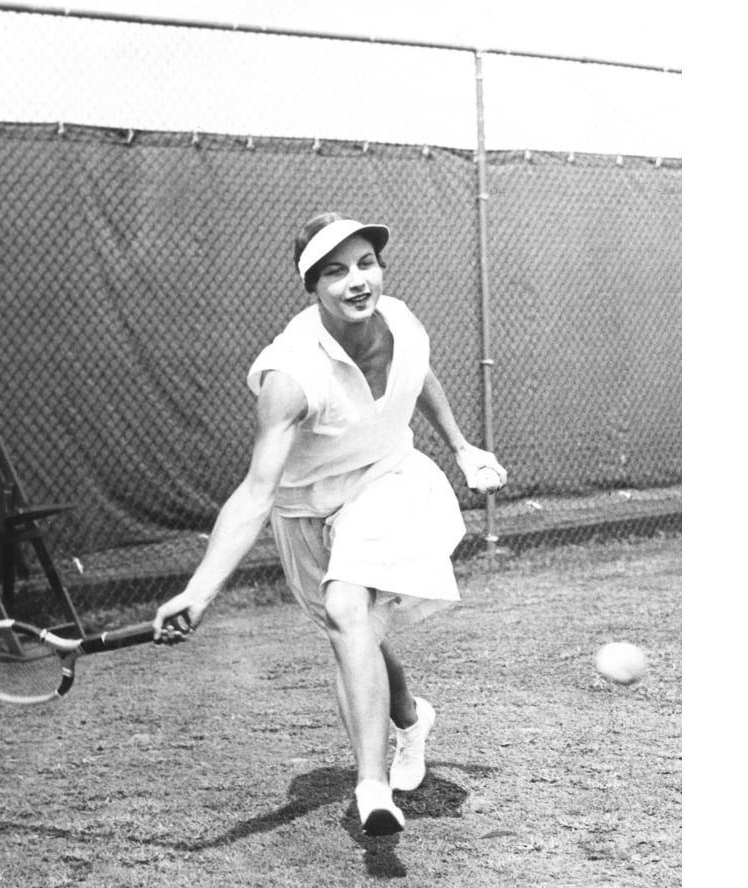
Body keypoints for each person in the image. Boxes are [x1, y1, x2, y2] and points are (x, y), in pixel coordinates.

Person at [154, 212, 506, 837]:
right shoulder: (290, 375)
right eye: (336, 271)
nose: (356, 281)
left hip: (385, 478)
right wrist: (199, 590)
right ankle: (409, 721)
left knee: (349, 608)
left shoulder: (399, 319)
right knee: (354, 634)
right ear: (311, 285)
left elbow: (416, 372)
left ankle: (372, 790)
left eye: (366, 263)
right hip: (303, 509)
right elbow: (256, 491)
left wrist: (459, 446)